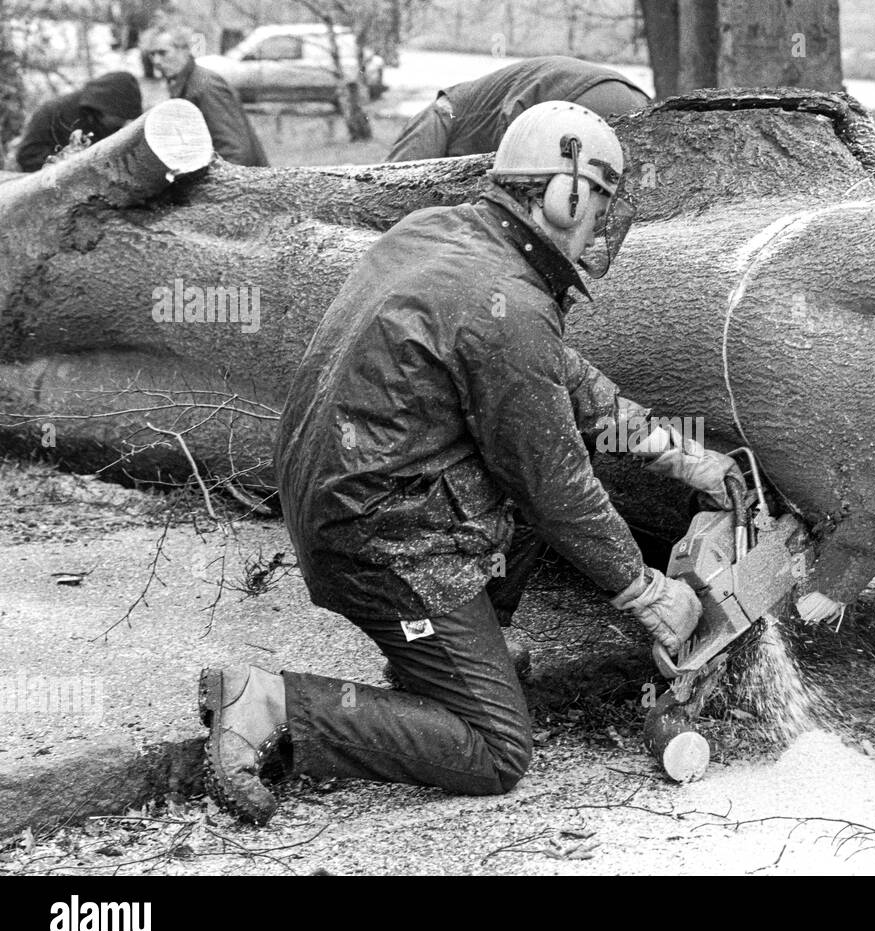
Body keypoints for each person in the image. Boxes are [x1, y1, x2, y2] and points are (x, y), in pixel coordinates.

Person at [199, 101, 740, 824]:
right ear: (566, 192)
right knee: (495, 749)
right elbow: (555, 486)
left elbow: (551, 372)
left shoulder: (443, 236)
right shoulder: (507, 300)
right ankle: (270, 701)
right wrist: (645, 593)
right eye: (598, 205)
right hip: (383, 541)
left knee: (529, 476)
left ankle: (461, 653)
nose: (599, 228)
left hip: (351, 495)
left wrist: (675, 452)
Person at [385, 55, 649, 162]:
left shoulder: (440, 115)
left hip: (575, 97)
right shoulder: (473, 105)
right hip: (634, 97)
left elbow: (394, 184)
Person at [147, 23, 268, 166]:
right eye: (152, 54)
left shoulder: (205, 85)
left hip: (240, 181)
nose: (156, 61)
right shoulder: (184, 84)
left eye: (162, 53)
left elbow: (234, 150)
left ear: (184, 49)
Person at [15, 72, 142, 172]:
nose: (123, 122)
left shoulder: (104, 121)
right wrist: (64, 162)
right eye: (121, 117)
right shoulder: (52, 113)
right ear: (106, 109)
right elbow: (27, 157)